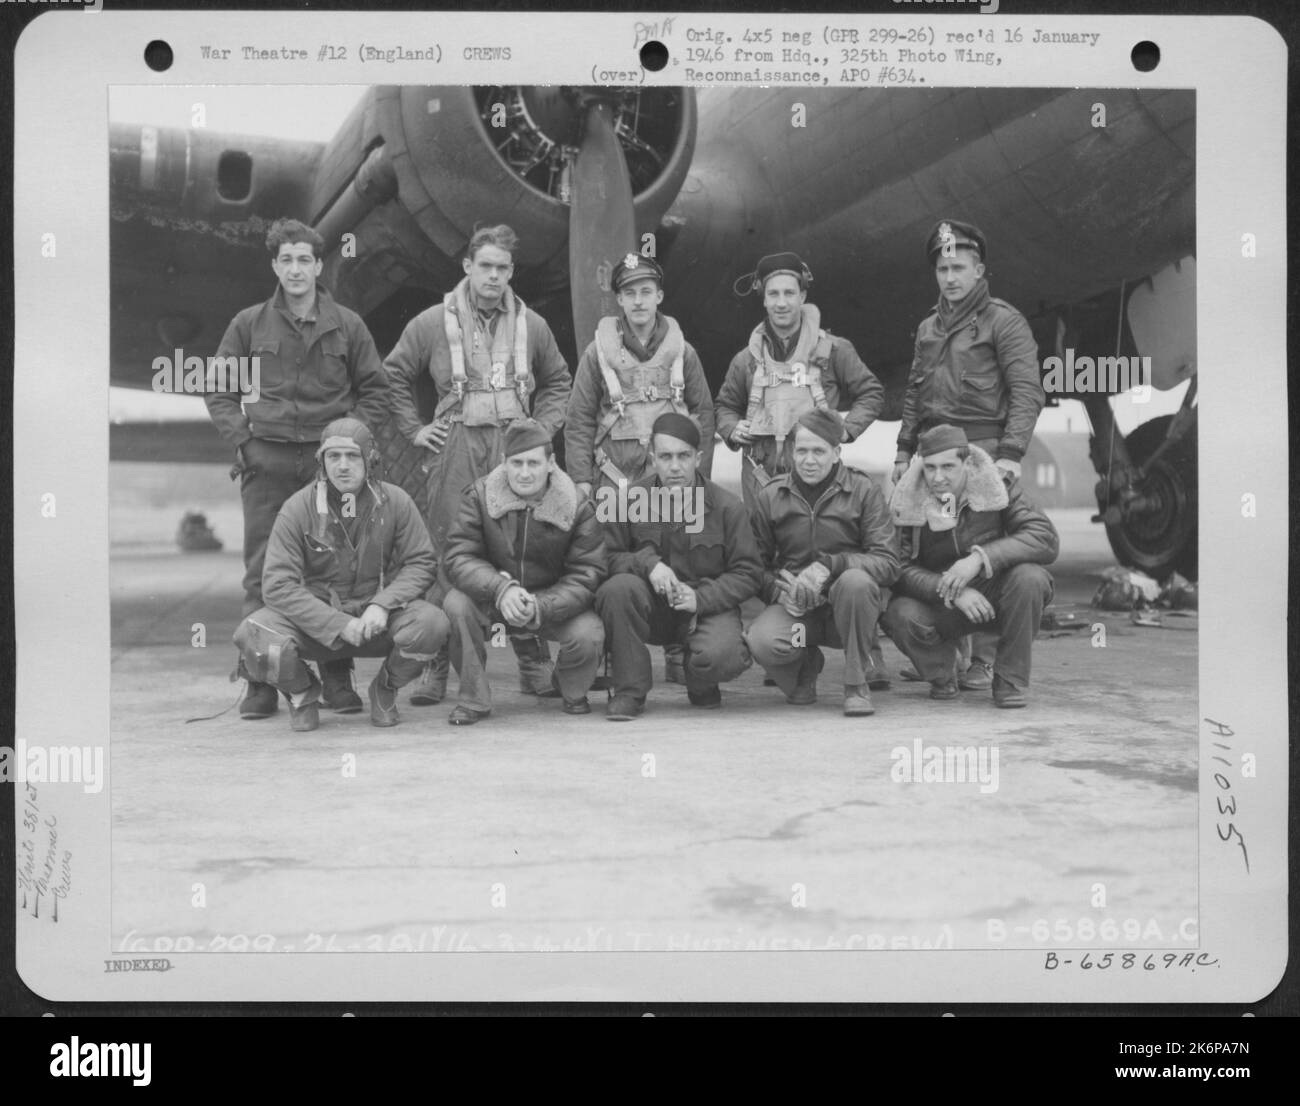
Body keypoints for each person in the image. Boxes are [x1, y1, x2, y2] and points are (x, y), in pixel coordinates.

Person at [206, 218, 390, 721]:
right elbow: (219, 388)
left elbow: (376, 389)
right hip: (266, 459)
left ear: (318, 265)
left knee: (334, 569)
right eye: (285, 259)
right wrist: (244, 441)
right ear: (274, 265)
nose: (295, 269)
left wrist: (349, 443)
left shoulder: (347, 324)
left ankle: (336, 675)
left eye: (303, 259)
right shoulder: (249, 324)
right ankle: (260, 680)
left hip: (329, 464)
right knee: (261, 570)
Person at [385, 224, 573, 705]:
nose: (493, 276)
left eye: (502, 268)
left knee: (521, 545)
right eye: (484, 266)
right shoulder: (433, 322)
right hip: (457, 444)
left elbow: (558, 380)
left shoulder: (532, 325)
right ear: (468, 266)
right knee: (449, 547)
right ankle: (437, 664)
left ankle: (532, 659)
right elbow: (393, 374)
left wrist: (541, 431)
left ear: (511, 273)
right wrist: (414, 430)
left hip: (513, 448)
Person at [891, 219, 1045, 691]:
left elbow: (1027, 391)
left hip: (983, 454)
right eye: (942, 269)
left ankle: (986, 659)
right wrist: (903, 450)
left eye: (959, 268)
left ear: (979, 270)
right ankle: (949, 648)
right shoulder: (928, 327)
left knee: (987, 544)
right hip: (936, 456)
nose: (950, 277)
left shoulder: (1004, 321)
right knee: (940, 544)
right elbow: (914, 394)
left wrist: (1011, 453)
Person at [232, 418, 450, 732]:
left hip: (377, 620)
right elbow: (277, 585)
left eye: (352, 456)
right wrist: (337, 624)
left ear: (370, 459)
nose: (343, 466)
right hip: (318, 623)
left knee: (433, 624)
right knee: (253, 636)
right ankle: (302, 693)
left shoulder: (396, 502)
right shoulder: (297, 508)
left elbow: (422, 562)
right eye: (333, 456)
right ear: (321, 461)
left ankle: (385, 688)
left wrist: (383, 604)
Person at [565, 251, 715, 686]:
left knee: (677, 557)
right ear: (619, 300)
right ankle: (613, 653)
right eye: (629, 293)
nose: (638, 301)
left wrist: (698, 475)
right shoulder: (598, 353)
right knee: (610, 564)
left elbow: (703, 413)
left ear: (659, 296)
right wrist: (581, 480)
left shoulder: (683, 352)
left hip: (671, 479)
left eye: (646, 292)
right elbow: (579, 419)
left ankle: (678, 648)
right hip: (616, 477)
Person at [595, 412, 762, 720]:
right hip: (651, 608)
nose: (675, 466)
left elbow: (748, 573)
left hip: (704, 609)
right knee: (617, 590)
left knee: (725, 656)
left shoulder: (727, 507)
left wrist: (701, 598)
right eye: (665, 456)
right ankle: (629, 690)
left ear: (698, 458)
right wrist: (648, 565)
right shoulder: (626, 501)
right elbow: (606, 557)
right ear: (652, 459)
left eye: (683, 456)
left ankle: (699, 677)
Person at [440, 420, 607, 725]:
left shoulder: (578, 505)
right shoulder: (479, 496)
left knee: (589, 632)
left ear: (551, 463)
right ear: (504, 462)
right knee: (456, 604)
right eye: (516, 463)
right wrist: (501, 589)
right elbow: (458, 557)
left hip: (551, 604)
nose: (525, 472)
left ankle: (569, 688)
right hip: (494, 598)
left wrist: (540, 606)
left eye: (534, 463)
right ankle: (474, 698)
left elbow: (587, 573)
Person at [883, 424, 1058, 708]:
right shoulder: (906, 498)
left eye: (948, 467)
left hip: (994, 595)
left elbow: (1044, 537)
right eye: (930, 468)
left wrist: (979, 558)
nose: (938, 477)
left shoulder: (998, 486)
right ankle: (942, 673)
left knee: (1030, 578)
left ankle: (1009, 679)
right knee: (898, 612)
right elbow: (897, 568)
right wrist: (953, 591)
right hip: (941, 600)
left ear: (966, 463)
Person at [746, 409, 899, 716]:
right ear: (791, 453)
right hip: (801, 616)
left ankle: (856, 684)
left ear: (836, 453)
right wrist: (779, 592)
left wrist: (833, 565)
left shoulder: (863, 490)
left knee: (855, 583)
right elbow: (752, 566)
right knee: (763, 641)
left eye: (819, 451)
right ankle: (805, 664)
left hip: (848, 614)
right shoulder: (771, 496)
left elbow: (888, 562)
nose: (809, 460)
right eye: (801, 451)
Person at [714, 251, 884, 512]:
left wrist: (846, 430)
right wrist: (731, 428)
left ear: (802, 296)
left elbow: (871, 393)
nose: (781, 303)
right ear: (764, 299)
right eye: (773, 294)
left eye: (789, 293)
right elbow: (725, 406)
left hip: (817, 476)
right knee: (758, 537)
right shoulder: (746, 359)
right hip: (760, 476)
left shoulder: (834, 350)